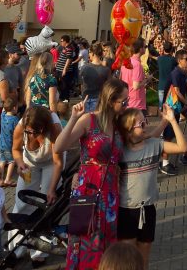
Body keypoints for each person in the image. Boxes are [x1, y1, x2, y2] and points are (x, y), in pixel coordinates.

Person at [54, 78, 127, 269]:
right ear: (111, 100)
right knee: (85, 238)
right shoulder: (90, 120)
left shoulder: (119, 125)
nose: (126, 105)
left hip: (110, 193)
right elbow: (59, 146)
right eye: (123, 101)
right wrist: (73, 118)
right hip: (88, 191)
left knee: (107, 242)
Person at [117, 105, 187, 269]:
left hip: (147, 209)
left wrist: (172, 121)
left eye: (145, 122)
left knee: (143, 259)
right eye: (141, 124)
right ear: (128, 129)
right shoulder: (120, 151)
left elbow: (183, 147)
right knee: (127, 259)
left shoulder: (154, 145)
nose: (145, 126)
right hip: (126, 210)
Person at [9, 105, 63, 265]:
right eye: (28, 131)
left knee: (46, 204)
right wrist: (19, 163)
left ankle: (40, 251)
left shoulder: (54, 128)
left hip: (51, 163)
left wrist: (52, 189)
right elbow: (15, 149)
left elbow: (58, 162)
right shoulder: (21, 127)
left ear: (44, 128)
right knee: (21, 202)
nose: (31, 135)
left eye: (35, 132)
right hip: (30, 163)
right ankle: (16, 247)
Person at [120, 38, 151, 115]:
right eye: (145, 46)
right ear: (140, 49)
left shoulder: (126, 62)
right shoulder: (137, 65)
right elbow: (136, 86)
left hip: (127, 100)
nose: (146, 48)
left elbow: (121, 79)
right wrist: (147, 79)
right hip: (136, 103)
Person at [0, 96, 20, 186]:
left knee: (2, 161)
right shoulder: (15, 120)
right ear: (14, 108)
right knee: (11, 161)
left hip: (1, 144)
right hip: (9, 145)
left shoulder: (2, 116)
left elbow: (3, 109)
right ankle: (8, 179)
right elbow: (17, 132)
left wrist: (6, 102)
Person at [80, 43, 110, 112]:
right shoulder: (106, 70)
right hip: (99, 100)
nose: (88, 54)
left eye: (89, 52)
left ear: (93, 53)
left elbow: (81, 85)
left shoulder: (84, 67)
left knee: (86, 121)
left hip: (85, 99)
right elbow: (108, 87)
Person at [56, 35, 79, 100]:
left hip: (64, 71)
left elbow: (69, 59)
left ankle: (65, 100)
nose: (60, 42)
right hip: (60, 70)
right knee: (61, 86)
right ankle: (62, 99)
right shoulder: (65, 48)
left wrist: (64, 70)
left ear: (65, 41)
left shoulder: (69, 48)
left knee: (64, 87)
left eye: (61, 41)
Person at [156, 42, 177, 109]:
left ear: (163, 49)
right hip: (172, 86)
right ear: (171, 49)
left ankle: (162, 118)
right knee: (173, 107)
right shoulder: (173, 60)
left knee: (161, 107)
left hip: (161, 86)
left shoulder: (159, 59)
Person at [4, 42, 24, 107]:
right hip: (3, 103)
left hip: (13, 105)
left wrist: (21, 101)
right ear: (10, 55)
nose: (20, 57)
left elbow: (22, 86)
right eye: (18, 54)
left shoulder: (18, 69)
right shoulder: (2, 68)